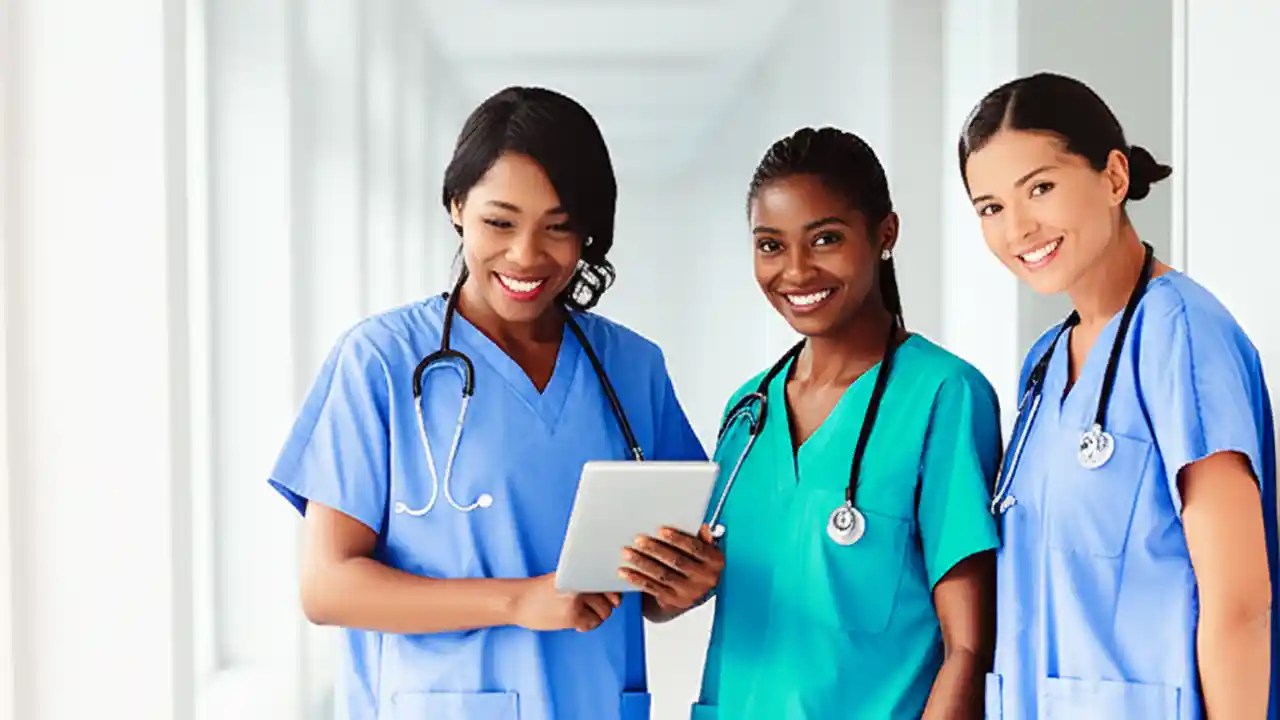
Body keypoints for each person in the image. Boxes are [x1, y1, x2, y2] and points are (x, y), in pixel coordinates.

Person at [267, 86, 717, 720]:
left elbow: (654, 589)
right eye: (499, 222)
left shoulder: (631, 368)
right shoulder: (381, 361)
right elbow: (328, 586)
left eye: (558, 227)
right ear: (457, 208)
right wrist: (518, 601)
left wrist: (686, 586)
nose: (527, 255)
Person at [653, 127, 1001, 719]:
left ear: (884, 234)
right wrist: (668, 590)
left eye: (825, 240)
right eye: (770, 246)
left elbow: (966, 647)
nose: (795, 271)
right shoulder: (749, 412)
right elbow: (703, 594)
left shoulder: (945, 395)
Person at [960, 71, 1278, 719]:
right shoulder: (1045, 364)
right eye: (990, 207)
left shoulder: (1180, 334)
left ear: (1113, 178)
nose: (1018, 227)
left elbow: (1239, 601)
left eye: (1040, 188)